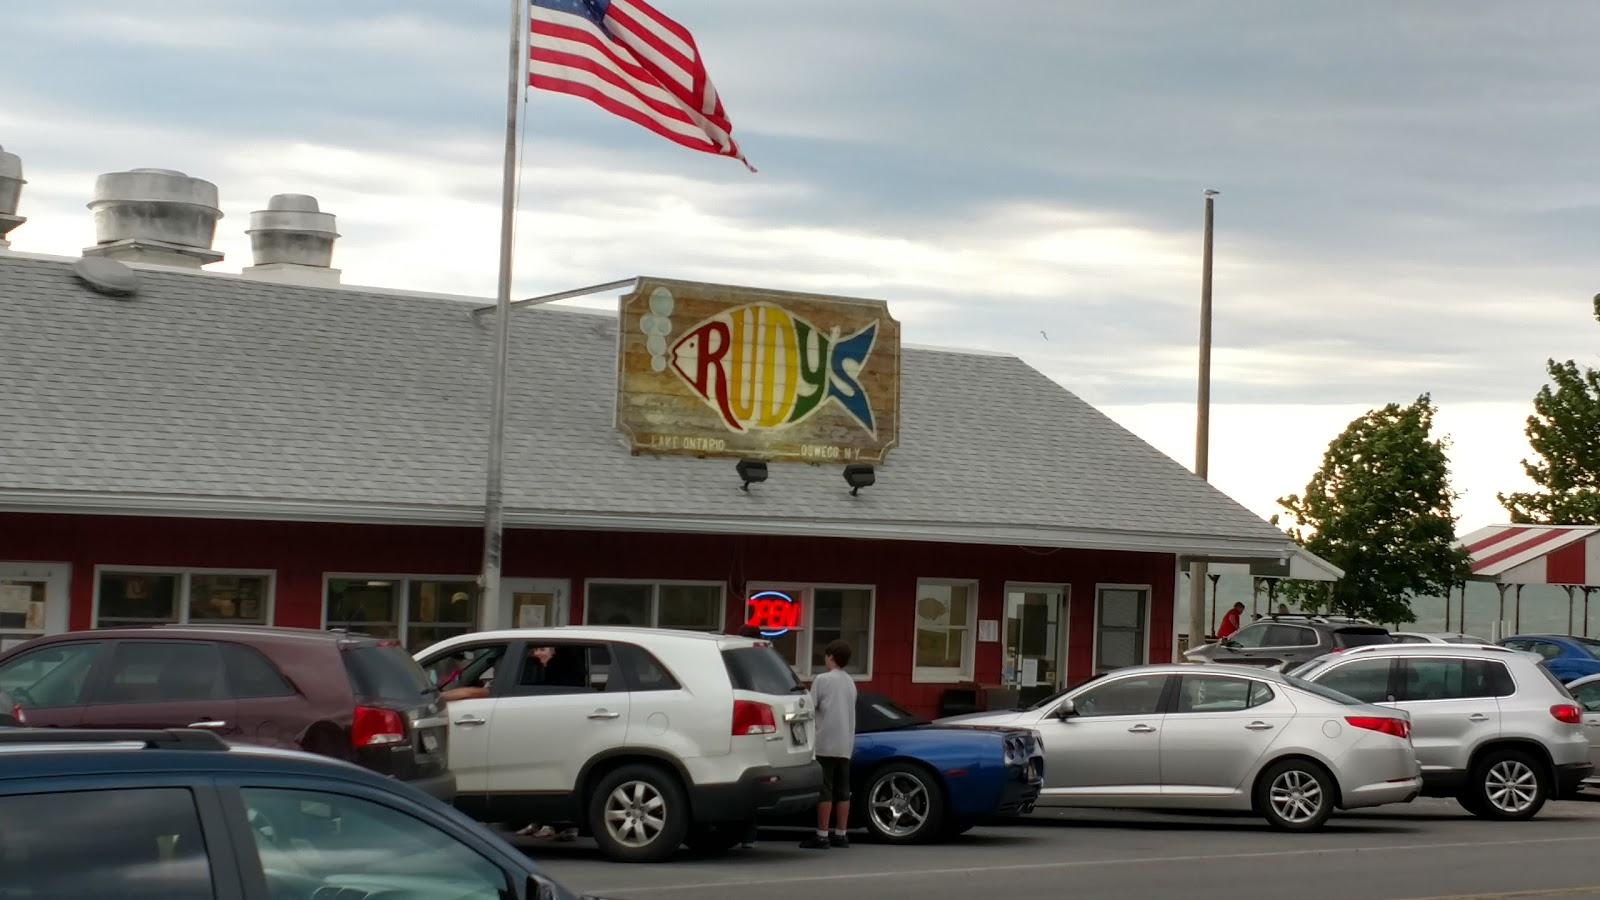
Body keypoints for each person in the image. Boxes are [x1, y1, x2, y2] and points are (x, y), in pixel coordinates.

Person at [801, 639, 857, 850]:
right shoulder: (850, 682)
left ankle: (822, 834)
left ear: (831, 656)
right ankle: (841, 833)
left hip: (825, 740)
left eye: (826, 656)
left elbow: (810, 706)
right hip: (845, 743)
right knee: (843, 790)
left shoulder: (822, 679)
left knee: (825, 789)